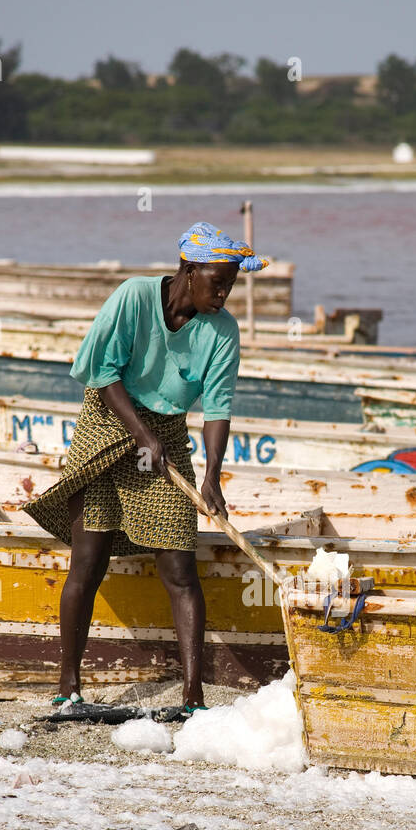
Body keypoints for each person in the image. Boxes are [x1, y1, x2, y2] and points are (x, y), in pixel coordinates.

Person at [23, 221, 269, 719]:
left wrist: (212, 475)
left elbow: (218, 407)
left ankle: (193, 697)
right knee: (88, 560)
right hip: (109, 417)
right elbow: (102, 369)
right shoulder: (134, 298)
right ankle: (69, 688)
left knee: (180, 562)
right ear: (188, 269)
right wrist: (141, 435)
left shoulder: (222, 331)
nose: (223, 293)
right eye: (216, 281)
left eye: (231, 285)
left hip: (167, 431)